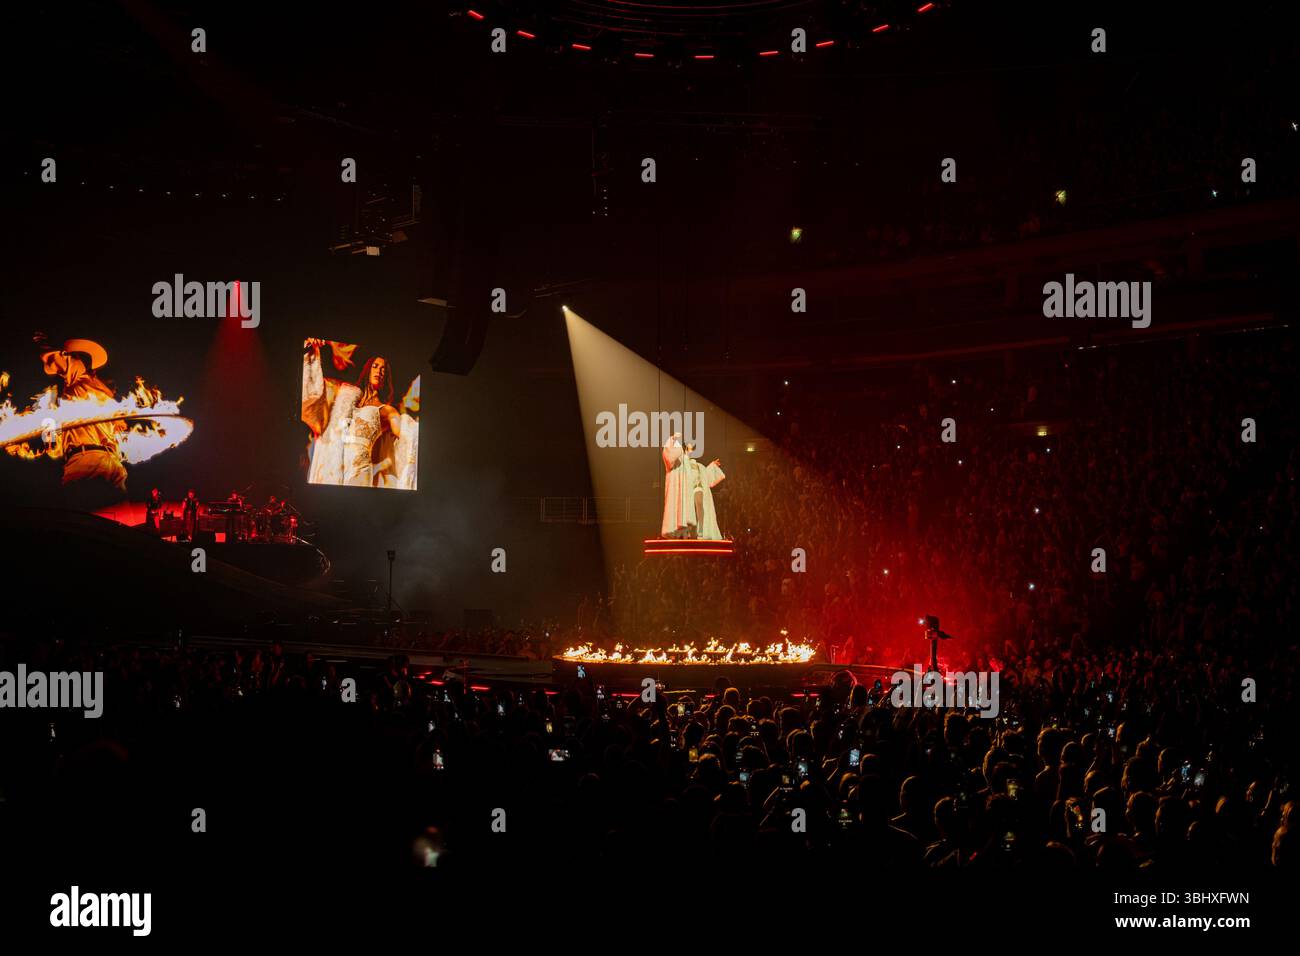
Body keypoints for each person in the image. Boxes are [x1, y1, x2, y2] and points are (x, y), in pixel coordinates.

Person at [301, 339, 418, 488]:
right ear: (368, 370)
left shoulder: (386, 411)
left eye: (383, 370)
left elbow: (409, 435)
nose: (379, 371)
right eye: (375, 366)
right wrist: (311, 351)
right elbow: (315, 396)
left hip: (360, 471)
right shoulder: (346, 396)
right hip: (335, 466)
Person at [36, 335, 128, 492]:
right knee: (114, 515)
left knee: (78, 514)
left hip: (87, 463)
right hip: (113, 464)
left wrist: (43, 343)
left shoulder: (79, 380)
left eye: (72, 357)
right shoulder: (103, 395)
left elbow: (56, 358)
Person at [661, 432, 726, 539]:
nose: (691, 451)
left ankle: (701, 529)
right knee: (687, 514)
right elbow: (670, 461)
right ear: (685, 449)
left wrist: (712, 466)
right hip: (686, 491)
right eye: (688, 448)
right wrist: (673, 440)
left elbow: (704, 474)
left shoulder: (696, 464)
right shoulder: (680, 462)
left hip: (697, 487)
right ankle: (689, 532)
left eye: (691, 449)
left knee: (699, 503)